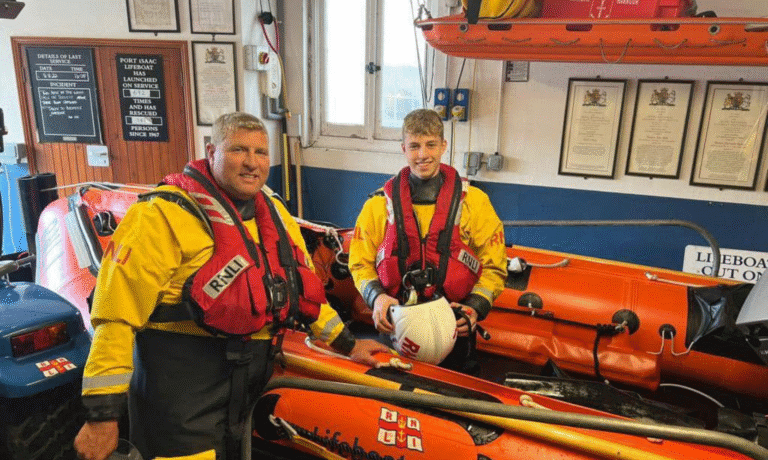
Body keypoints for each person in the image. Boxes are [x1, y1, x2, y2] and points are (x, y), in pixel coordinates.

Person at [74, 112, 388, 460]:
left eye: (261, 152)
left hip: (247, 397)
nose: (252, 163)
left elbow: (303, 290)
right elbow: (114, 318)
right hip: (181, 396)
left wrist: (348, 345)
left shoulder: (276, 215)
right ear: (211, 152)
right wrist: (103, 416)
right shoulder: (158, 216)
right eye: (239, 150)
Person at [348, 108, 507, 375]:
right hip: (397, 324)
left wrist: (475, 306)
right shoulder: (378, 205)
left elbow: (495, 267)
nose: (423, 155)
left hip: (456, 324)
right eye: (414, 146)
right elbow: (359, 263)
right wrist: (376, 298)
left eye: (431, 145)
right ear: (403, 148)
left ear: (443, 145)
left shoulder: (475, 203)